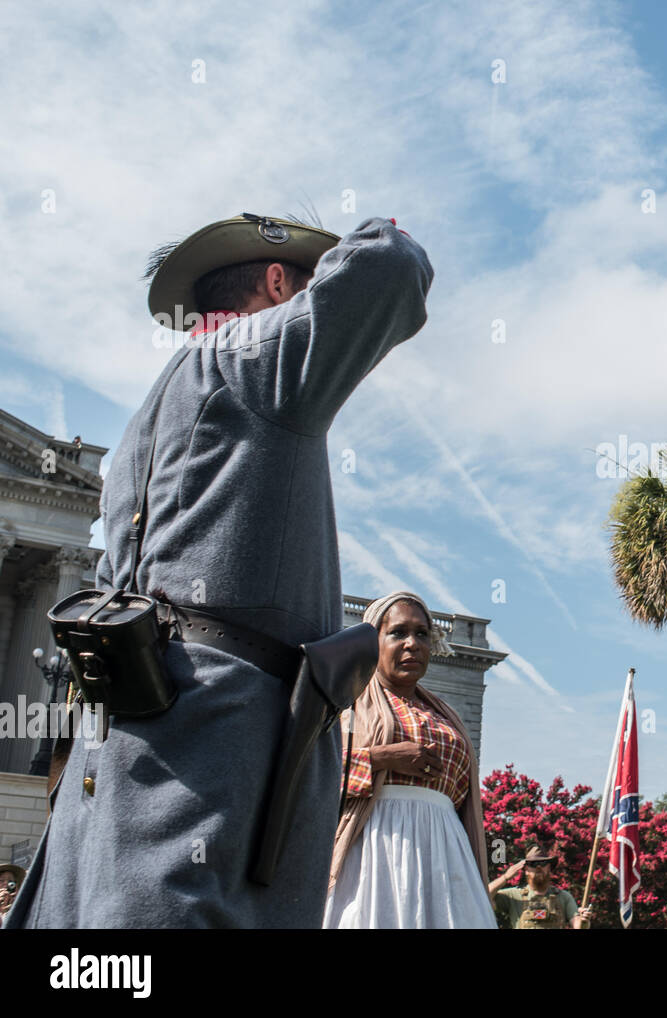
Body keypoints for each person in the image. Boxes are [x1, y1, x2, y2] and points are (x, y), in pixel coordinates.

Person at [8, 214, 434, 928]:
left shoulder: (148, 415)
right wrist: (376, 232)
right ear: (276, 286)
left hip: (137, 722)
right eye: (304, 287)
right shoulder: (254, 355)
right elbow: (393, 270)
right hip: (222, 726)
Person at [324, 591, 494, 929]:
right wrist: (381, 758)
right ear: (372, 641)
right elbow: (312, 775)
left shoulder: (448, 717)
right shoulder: (345, 703)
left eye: (422, 634)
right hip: (373, 850)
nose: (412, 643)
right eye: (398, 632)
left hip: (446, 858)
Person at [488, 842, 592, 929]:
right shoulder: (513, 896)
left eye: (542, 863)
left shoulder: (563, 897)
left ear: (549, 867)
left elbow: (577, 924)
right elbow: (484, 896)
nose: (538, 867)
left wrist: (584, 921)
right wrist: (506, 877)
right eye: (533, 864)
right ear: (525, 870)